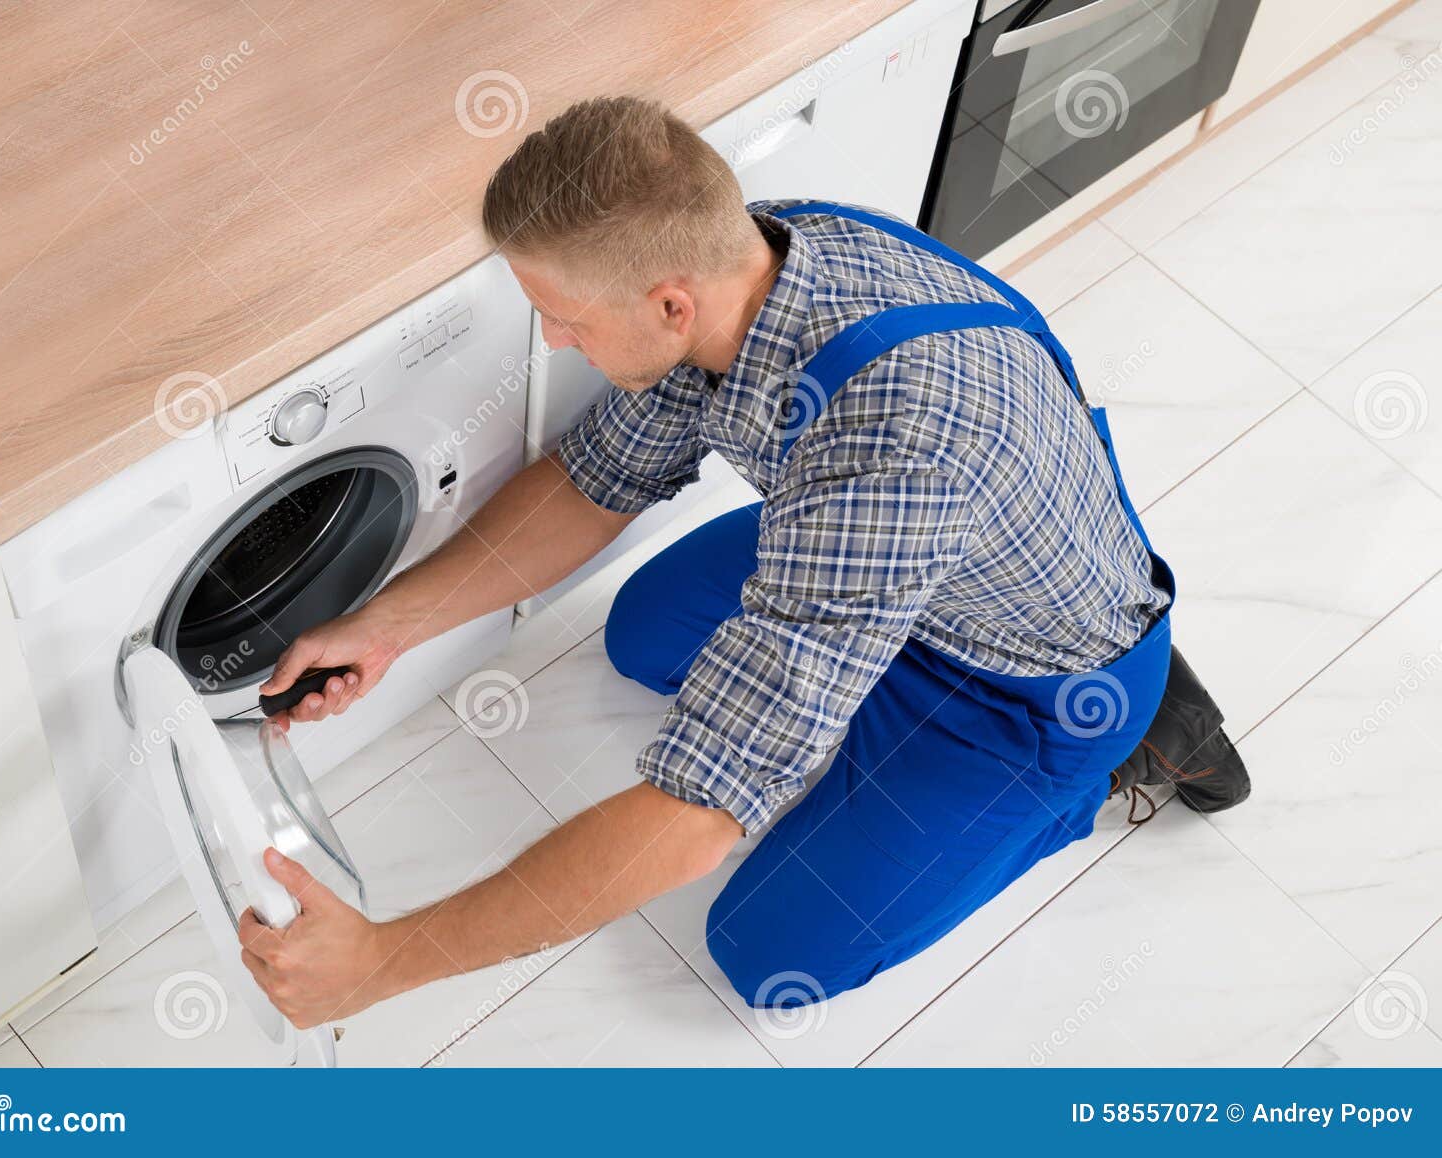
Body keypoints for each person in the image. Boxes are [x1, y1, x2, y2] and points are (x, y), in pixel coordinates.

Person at [236, 95, 1178, 1030]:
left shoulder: (890, 452)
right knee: (644, 630)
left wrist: (382, 962)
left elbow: (695, 817)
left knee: (773, 957)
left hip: (1025, 691)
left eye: (563, 318)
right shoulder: (762, 257)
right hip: (905, 560)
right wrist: (385, 625)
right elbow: (590, 483)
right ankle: (846, 687)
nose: (555, 341)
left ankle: (1099, 770)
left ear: (669, 305)